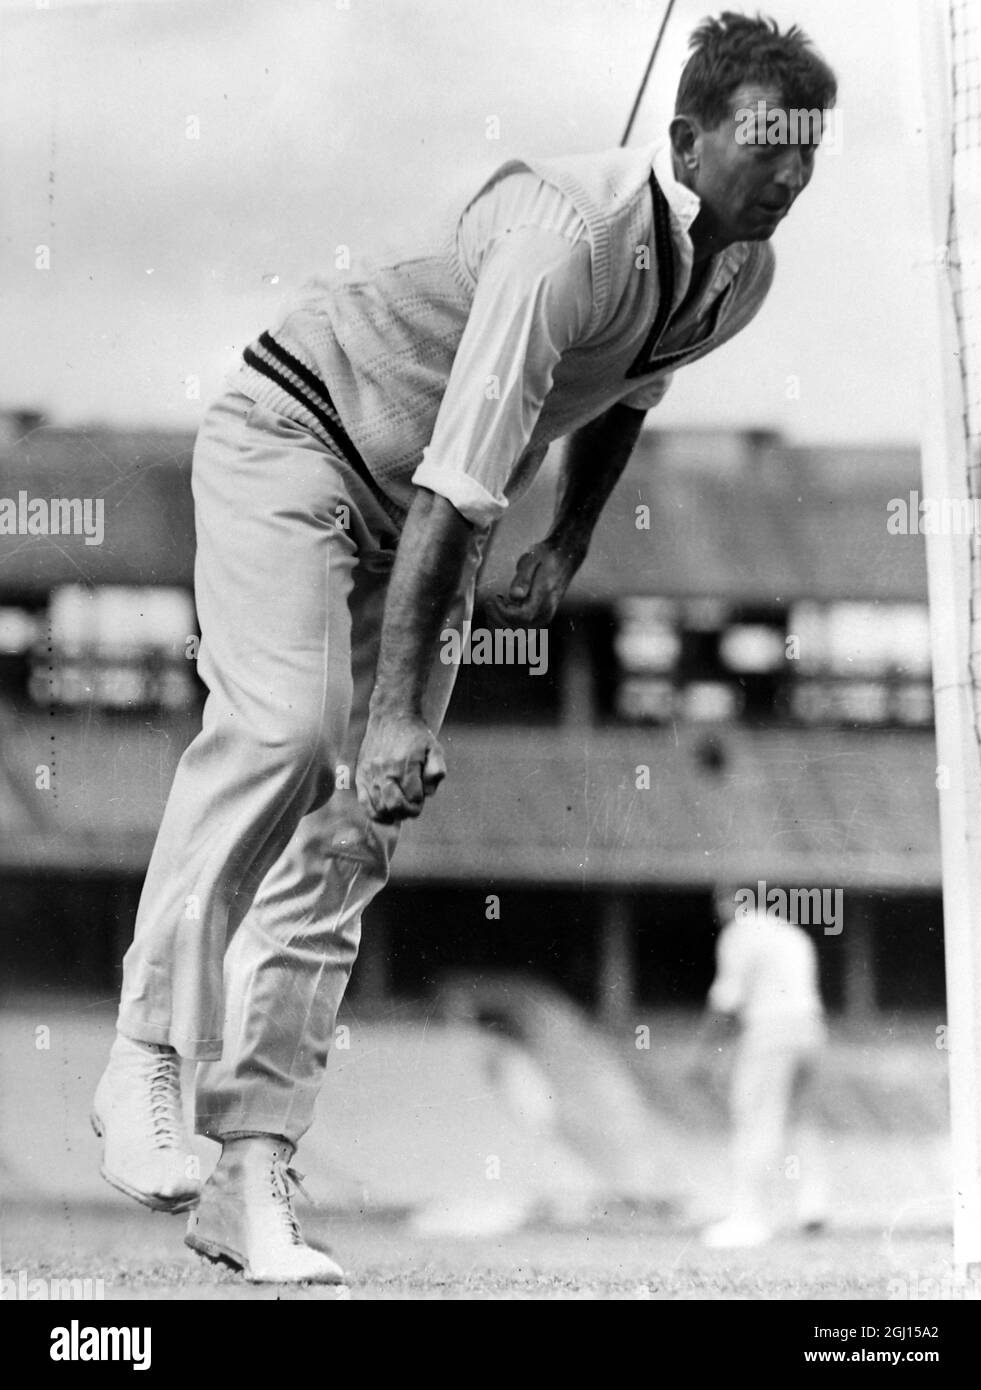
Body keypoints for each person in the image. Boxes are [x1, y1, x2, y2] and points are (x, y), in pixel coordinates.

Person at [92, 12, 838, 1282]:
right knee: (293, 732)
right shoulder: (567, 241)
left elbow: (625, 393)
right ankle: (147, 1052)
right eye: (763, 140)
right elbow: (456, 490)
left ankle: (250, 1175)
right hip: (303, 433)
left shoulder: (740, 276)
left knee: (358, 831)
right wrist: (393, 712)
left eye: (807, 147)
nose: (788, 170)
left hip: (428, 509)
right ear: (685, 139)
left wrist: (571, 548)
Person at [695, 885, 829, 1249]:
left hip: (771, 1032)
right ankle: (811, 1207)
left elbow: (727, 1000)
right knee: (800, 1120)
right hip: (811, 1029)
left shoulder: (740, 933)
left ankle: (748, 1217)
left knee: (756, 1119)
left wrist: (705, 1054)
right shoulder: (791, 933)